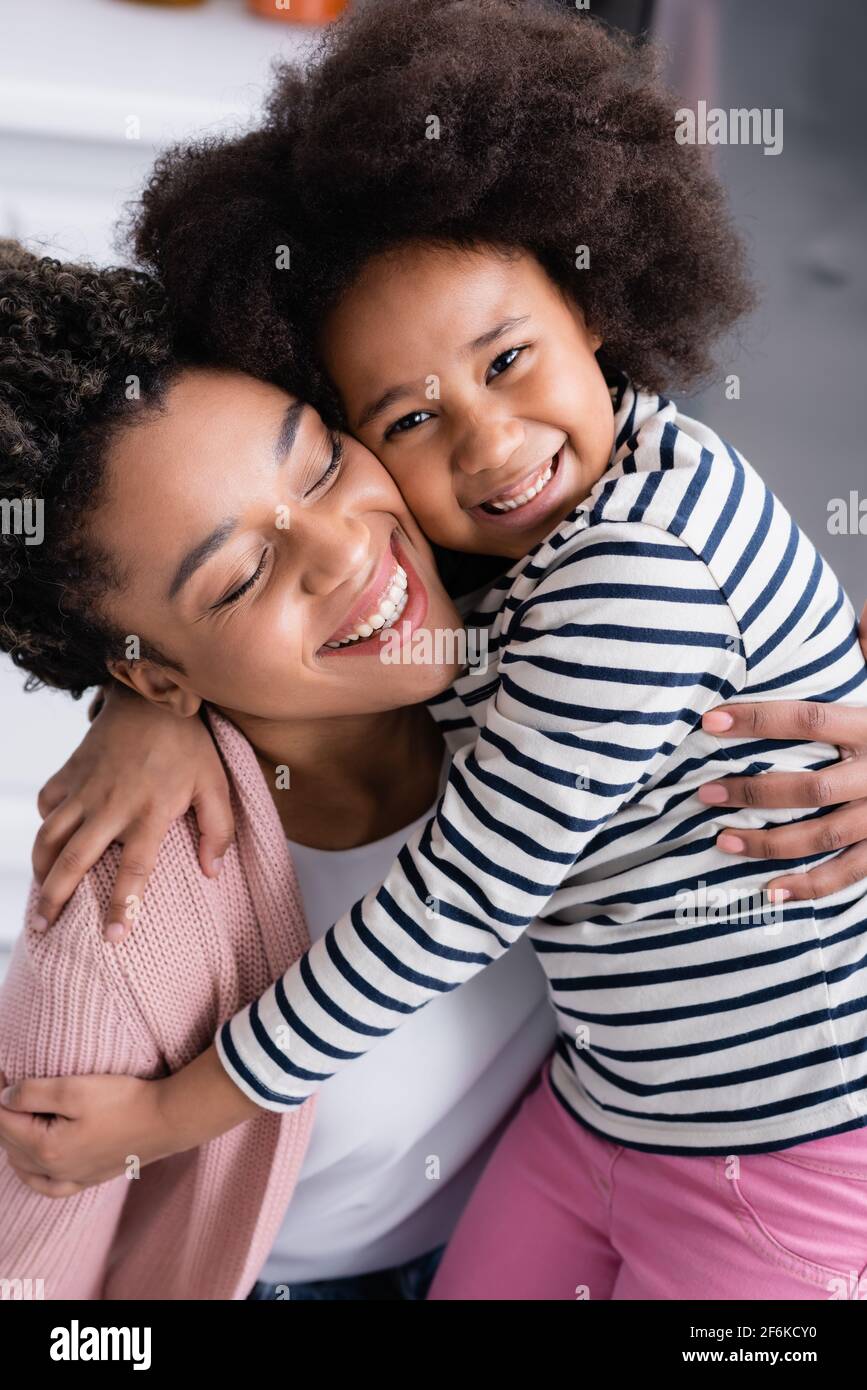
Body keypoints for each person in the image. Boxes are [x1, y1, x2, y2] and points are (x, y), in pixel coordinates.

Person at [5, 1, 867, 1300]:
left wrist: (171, 1114)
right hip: (589, 1129)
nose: (486, 441)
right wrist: (146, 708)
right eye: (405, 415)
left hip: (773, 1151)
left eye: (511, 358)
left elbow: (465, 890)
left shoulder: (609, 556)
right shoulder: (126, 912)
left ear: (590, 309)